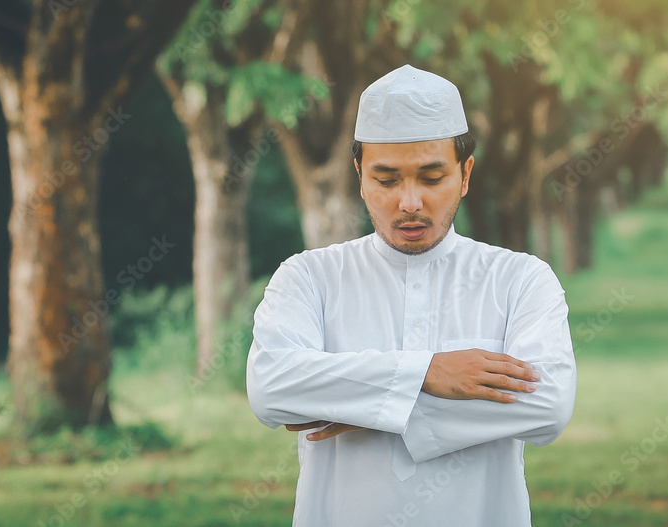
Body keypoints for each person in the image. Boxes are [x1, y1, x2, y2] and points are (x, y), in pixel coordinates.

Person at [245, 64, 576, 527]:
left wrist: (366, 407)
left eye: (431, 177)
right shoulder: (309, 277)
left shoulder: (519, 279)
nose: (410, 203)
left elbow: (549, 404)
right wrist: (430, 372)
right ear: (359, 175)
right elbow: (271, 387)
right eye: (386, 180)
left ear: (465, 174)